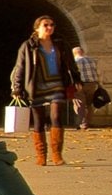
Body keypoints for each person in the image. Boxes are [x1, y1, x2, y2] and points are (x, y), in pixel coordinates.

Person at [8, 15, 77, 165]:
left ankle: (57, 155)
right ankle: (41, 155)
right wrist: (17, 88)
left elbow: (70, 63)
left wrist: (76, 79)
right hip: (36, 87)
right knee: (38, 121)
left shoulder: (60, 44)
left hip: (57, 84)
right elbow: (20, 67)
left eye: (52, 25)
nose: (49, 28)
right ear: (37, 28)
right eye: (46, 25)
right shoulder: (28, 46)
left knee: (56, 116)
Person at [70, 45, 103, 129]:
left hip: (79, 85)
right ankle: (88, 122)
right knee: (89, 104)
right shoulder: (92, 60)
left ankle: (82, 123)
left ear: (73, 54)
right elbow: (98, 73)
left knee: (79, 103)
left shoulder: (74, 61)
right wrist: (99, 83)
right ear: (83, 52)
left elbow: (71, 74)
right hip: (91, 84)